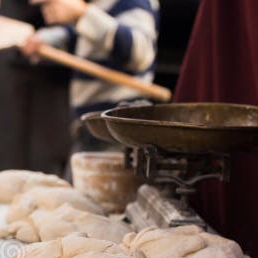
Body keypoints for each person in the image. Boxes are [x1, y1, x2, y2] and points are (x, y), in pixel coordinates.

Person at [23, 0, 159, 152]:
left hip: (118, 130)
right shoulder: (100, 5)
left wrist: (83, 13)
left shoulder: (132, 2)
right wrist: (43, 40)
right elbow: (80, 37)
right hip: (90, 128)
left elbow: (140, 52)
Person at [0, 0, 74, 177]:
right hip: (17, 67)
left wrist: (55, 35)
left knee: (45, 173)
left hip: (53, 84)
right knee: (8, 168)